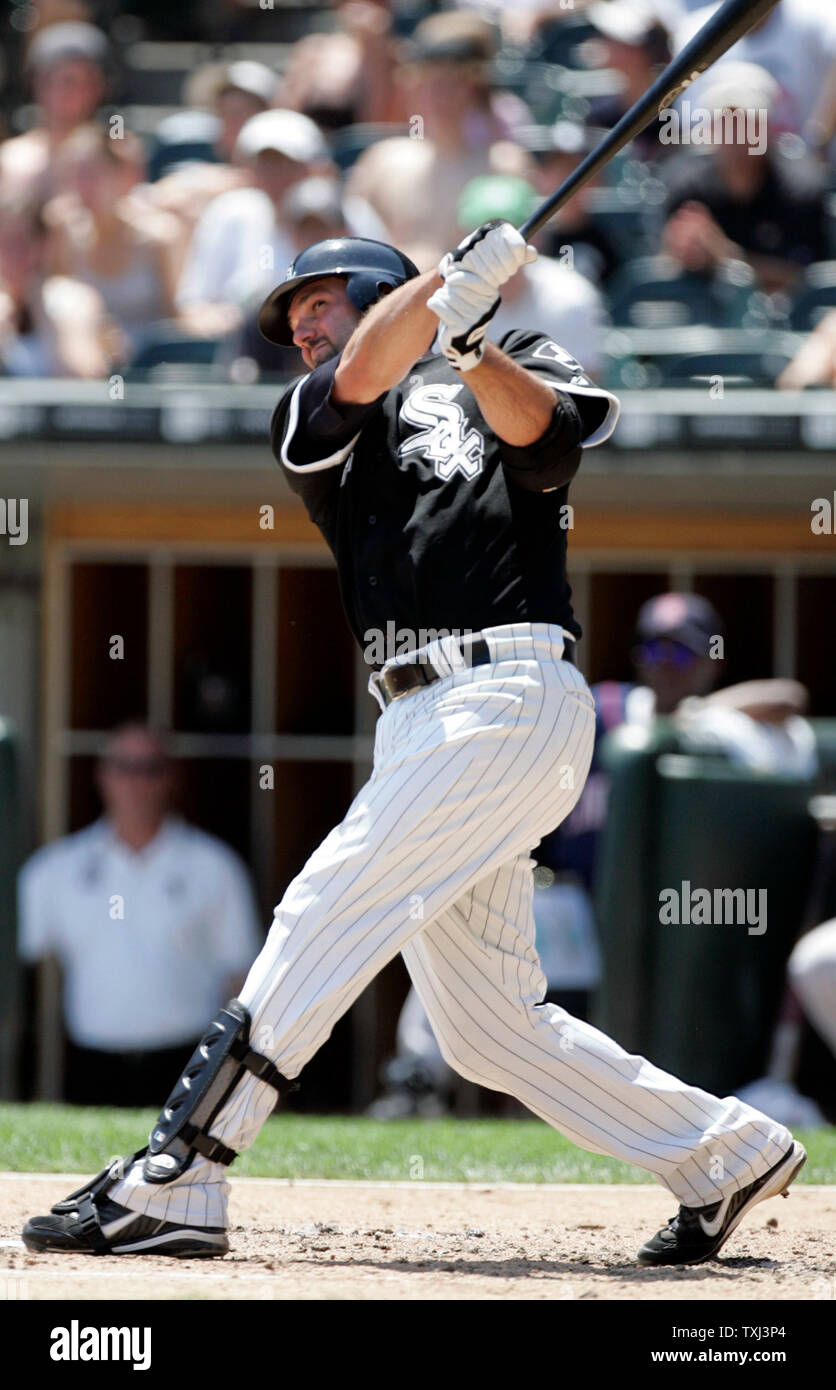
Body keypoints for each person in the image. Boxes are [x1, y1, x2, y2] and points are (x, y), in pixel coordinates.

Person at [23, 228, 805, 1266]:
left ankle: (183, 1173)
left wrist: (474, 339)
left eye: (322, 297)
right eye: (290, 311)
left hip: (508, 687)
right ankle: (723, 1152)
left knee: (325, 902)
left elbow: (549, 444)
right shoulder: (314, 415)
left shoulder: (508, 352)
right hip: (417, 719)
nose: (300, 323)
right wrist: (444, 284)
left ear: (384, 288)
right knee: (485, 1024)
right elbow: (359, 374)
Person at [18, 724, 263, 1107]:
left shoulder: (215, 867)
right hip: (89, 1065)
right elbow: (30, 975)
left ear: (171, 777)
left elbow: (242, 978)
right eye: (124, 767)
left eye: (150, 769)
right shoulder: (52, 870)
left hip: (187, 1061)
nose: (136, 783)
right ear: (102, 775)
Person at [344, 12, 530, 269]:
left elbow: (513, 257)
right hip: (396, 298)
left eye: (454, 81)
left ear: (473, 87)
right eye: (429, 80)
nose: (441, 94)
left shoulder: (506, 163)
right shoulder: (381, 162)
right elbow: (354, 251)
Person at [662, 64, 830, 293]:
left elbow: (808, 283)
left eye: (746, 122)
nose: (735, 134)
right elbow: (663, 270)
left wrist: (726, 257)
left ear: (768, 127)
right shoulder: (684, 186)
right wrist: (685, 252)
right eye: (725, 121)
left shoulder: (801, 188)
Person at [456, 174, 608, 378]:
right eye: (482, 233)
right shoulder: (445, 301)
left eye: (508, 232)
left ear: (535, 237)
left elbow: (586, 396)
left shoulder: (572, 297)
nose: (495, 245)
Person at [49, 125, 179, 361]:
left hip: (151, 368)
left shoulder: (159, 237)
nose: (82, 186)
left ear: (118, 174)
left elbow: (176, 317)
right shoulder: (61, 235)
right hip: (87, 366)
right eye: (73, 175)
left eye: (90, 174)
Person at [0, 188, 112, 377]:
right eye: (4, 244)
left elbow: (85, 375)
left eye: (21, 243)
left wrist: (38, 306)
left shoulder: (75, 300)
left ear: (43, 245)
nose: (13, 255)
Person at [0, 21, 110, 201]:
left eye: (85, 81)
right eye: (63, 80)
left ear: (100, 87)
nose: (72, 92)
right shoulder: (9, 159)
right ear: (36, 83)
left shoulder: (119, 152)